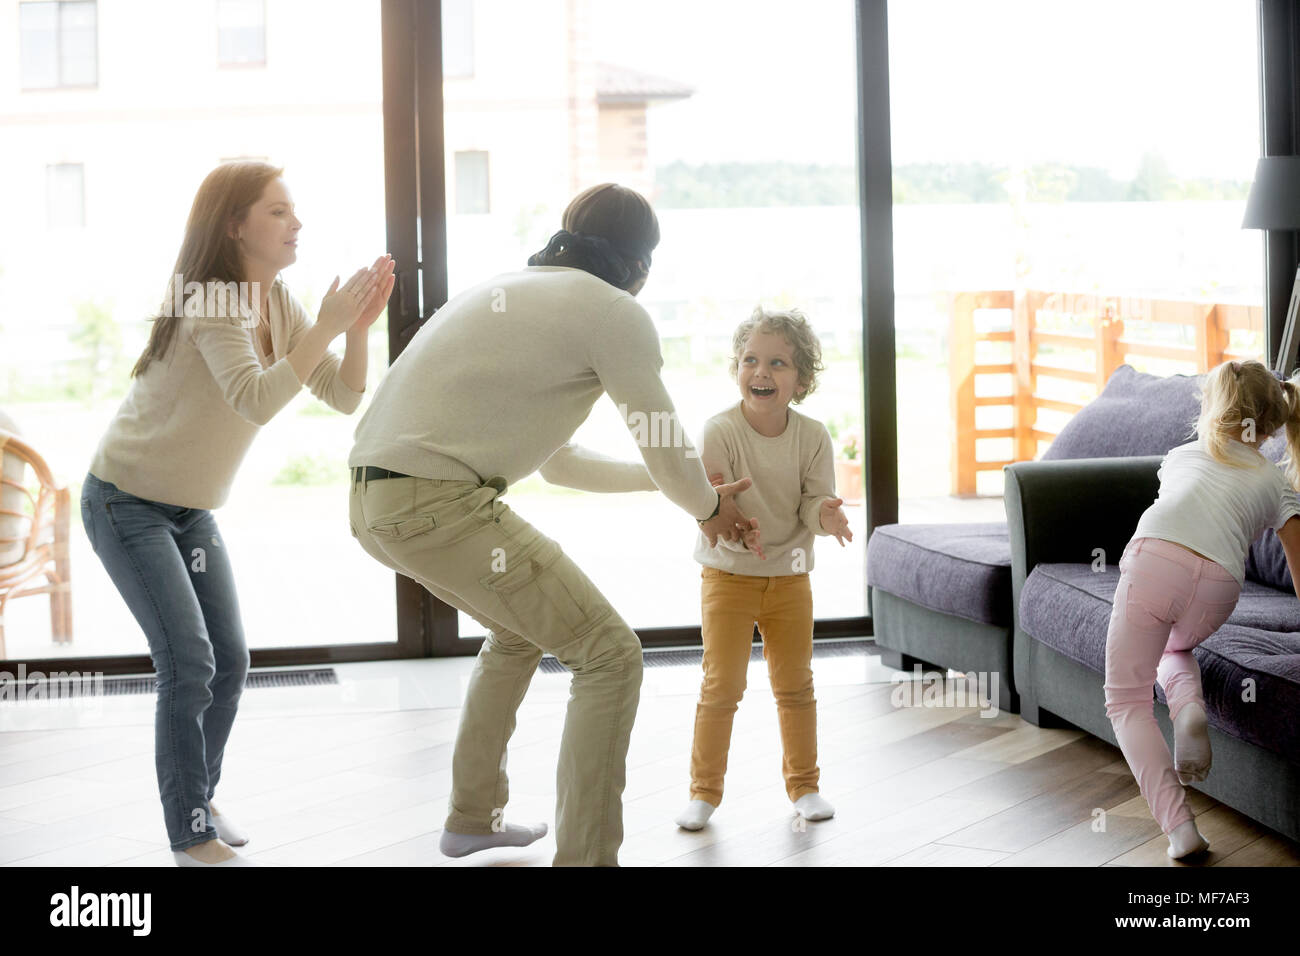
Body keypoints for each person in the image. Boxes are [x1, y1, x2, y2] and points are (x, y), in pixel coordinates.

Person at [347, 182, 760, 866]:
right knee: (610, 655)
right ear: (643, 266)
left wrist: (682, 488)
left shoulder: (508, 291)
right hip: (436, 502)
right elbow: (662, 436)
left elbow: (559, 463)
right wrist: (710, 507)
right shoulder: (612, 312)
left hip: (375, 502)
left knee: (516, 632)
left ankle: (471, 818)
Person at [81, 160, 394, 866]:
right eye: (278, 211)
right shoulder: (214, 301)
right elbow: (253, 397)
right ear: (235, 225)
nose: (297, 223)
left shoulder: (278, 302)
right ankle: (191, 831)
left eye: (294, 211)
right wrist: (328, 324)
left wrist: (356, 329)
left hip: (190, 513)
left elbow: (342, 397)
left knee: (230, 659)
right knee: (188, 660)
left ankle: (200, 790)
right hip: (126, 501)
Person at [1103, 358, 1300, 860]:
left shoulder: (1181, 455)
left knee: (1126, 702)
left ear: (1213, 405)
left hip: (1154, 564)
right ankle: (1187, 708)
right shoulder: (1278, 484)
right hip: (1218, 588)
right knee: (1174, 642)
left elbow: (1179, 516)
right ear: (1272, 421)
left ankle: (1181, 829)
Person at [674, 306, 851, 831]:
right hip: (727, 578)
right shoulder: (720, 429)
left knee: (796, 686)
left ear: (801, 379)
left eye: (777, 363)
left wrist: (826, 514)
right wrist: (736, 527)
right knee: (721, 687)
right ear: (736, 369)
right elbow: (714, 501)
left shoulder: (813, 436)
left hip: (790, 579)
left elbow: (810, 504)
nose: (761, 372)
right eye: (750, 360)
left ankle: (806, 786)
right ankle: (703, 793)